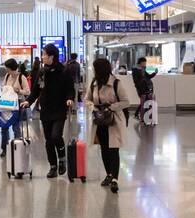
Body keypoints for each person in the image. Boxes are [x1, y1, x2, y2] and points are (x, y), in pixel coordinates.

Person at [25, 43, 75, 178]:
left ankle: (62, 159)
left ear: (51, 56)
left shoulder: (64, 71)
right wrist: (28, 101)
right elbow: (36, 90)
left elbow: (70, 88)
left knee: (56, 136)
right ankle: (53, 166)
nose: (42, 57)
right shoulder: (42, 72)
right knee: (48, 140)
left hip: (59, 109)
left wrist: (70, 98)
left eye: (44, 54)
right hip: (46, 109)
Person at [86, 57, 133, 192]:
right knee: (105, 149)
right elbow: (87, 99)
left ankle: (115, 179)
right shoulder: (94, 83)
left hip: (114, 121)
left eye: (95, 69)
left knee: (114, 149)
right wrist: (93, 108)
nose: (94, 71)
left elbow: (126, 102)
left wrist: (111, 107)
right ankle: (108, 174)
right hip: (100, 121)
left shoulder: (116, 83)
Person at [0, 58, 31, 156]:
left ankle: (17, 148)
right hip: (6, 103)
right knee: (4, 127)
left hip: (17, 104)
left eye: (7, 68)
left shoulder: (21, 77)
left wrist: (18, 91)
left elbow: (28, 91)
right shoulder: (7, 76)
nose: (6, 70)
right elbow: (3, 87)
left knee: (16, 127)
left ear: (12, 68)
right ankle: (5, 149)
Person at [131, 57, 155, 122]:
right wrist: (142, 77)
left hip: (146, 88)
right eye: (143, 63)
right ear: (140, 63)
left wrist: (154, 73)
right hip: (140, 89)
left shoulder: (143, 70)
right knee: (143, 102)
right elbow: (136, 81)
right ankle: (137, 115)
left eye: (145, 63)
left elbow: (148, 76)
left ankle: (142, 116)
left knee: (144, 102)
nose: (145, 64)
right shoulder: (135, 71)